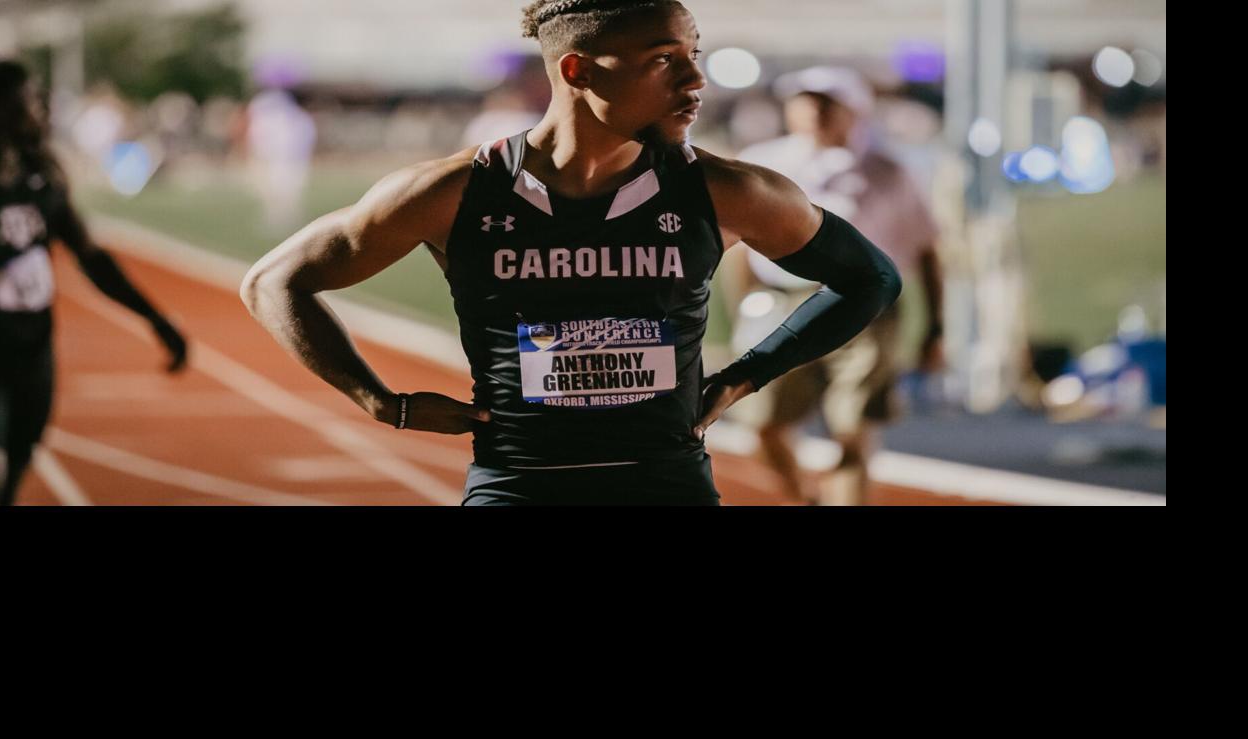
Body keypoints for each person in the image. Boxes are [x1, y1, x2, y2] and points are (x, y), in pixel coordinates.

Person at [241, 0, 901, 506]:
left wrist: (745, 374)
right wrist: (378, 400)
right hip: (519, 486)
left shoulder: (727, 191)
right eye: (665, 58)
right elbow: (274, 282)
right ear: (577, 69)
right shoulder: (453, 192)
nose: (696, 78)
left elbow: (869, 278)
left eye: (694, 53)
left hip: (666, 486)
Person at [0, 60, 189, 507]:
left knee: (15, 464)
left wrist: (155, 317)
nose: (40, 111)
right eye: (29, 101)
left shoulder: (43, 177)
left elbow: (91, 257)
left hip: (33, 348)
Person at [727, 67, 944, 505]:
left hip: (865, 310)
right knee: (760, 420)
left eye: (826, 104)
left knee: (853, 427)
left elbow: (926, 249)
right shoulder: (764, 161)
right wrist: (743, 306)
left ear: (855, 112)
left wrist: (935, 328)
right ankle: (803, 497)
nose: (812, 113)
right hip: (782, 303)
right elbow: (739, 247)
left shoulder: (888, 171)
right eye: (804, 103)